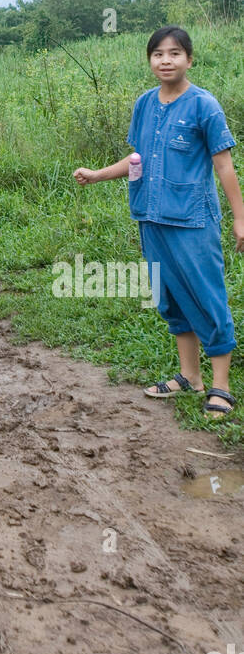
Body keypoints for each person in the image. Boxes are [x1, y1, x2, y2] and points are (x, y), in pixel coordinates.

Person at [73, 26, 243, 419]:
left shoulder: (205, 105)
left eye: (175, 53)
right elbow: (139, 157)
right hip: (150, 217)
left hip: (192, 221)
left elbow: (223, 164)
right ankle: (189, 377)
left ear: (189, 59)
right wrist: (98, 174)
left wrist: (239, 218)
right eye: (158, 54)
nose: (166, 60)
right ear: (150, 61)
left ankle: (221, 386)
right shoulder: (145, 104)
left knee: (206, 296)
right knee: (169, 297)